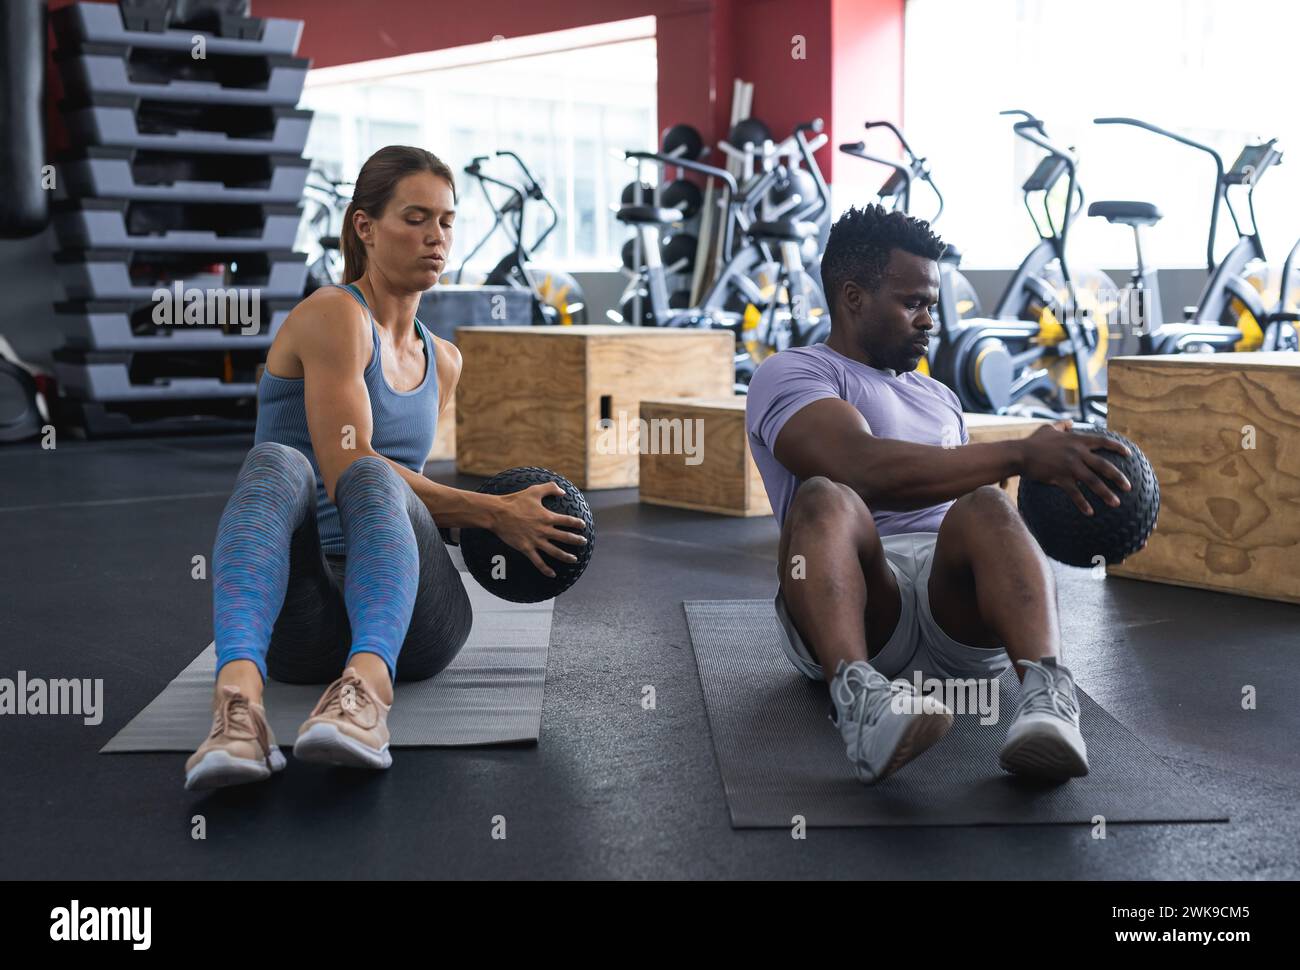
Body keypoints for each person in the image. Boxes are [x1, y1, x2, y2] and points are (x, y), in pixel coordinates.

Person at [185, 146, 588, 791]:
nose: (436, 237)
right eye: (416, 218)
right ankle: (238, 707)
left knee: (381, 482)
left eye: (448, 221)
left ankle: (366, 693)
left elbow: (408, 503)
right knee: (280, 463)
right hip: (305, 618)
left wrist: (505, 527)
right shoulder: (332, 314)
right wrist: (492, 510)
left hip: (414, 630)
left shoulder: (445, 360)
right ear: (365, 227)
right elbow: (350, 468)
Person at [745, 203, 1136, 785]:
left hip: (952, 613)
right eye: (913, 303)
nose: (931, 319)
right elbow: (861, 467)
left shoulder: (941, 397)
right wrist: (1018, 451)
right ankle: (861, 703)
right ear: (852, 297)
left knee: (987, 503)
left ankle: (1048, 701)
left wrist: (1047, 475)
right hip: (864, 604)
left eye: (932, 302)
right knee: (826, 495)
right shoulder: (793, 373)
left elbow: (970, 504)